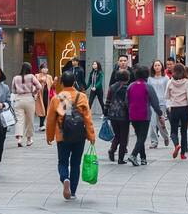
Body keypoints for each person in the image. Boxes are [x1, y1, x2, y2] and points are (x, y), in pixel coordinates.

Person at [45, 70, 96, 199]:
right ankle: (72, 191)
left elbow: (51, 119)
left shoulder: (57, 98)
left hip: (62, 135)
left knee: (62, 162)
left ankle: (65, 178)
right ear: (74, 82)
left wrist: (50, 136)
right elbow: (87, 118)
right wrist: (91, 135)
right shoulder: (82, 97)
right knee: (75, 163)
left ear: (61, 83)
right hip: (79, 135)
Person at [126, 65, 159, 166]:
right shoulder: (148, 86)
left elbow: (127, 101)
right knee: (142, 137)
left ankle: (143, 158)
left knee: (139, 136)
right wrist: (160, 113)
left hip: (133, 114)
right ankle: (133, 155)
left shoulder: (130, 86)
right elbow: (154, 101)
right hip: (144, 114)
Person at [166, 63, 188, 158]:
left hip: (174, 108)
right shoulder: (187, 82)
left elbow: (166, 96)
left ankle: (176, 144)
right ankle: (183, 154)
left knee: (173, 131)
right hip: (185, 108)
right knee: (184, 131)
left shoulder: (170, 82)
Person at [105, 65, 133, 163]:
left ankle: (112, 150)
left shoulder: (112, 87)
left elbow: (108, 100)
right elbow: (129, 103)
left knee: (117, 135)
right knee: (124, 137)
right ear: (127, 78)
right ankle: (120, 158)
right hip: (124, 115)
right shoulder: (128, 88)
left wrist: (106, 112)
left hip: (112, 114)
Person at [11, 63, 39, 147]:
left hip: (19, 99)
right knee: (30, 120)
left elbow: (13, 90)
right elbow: (39, 86)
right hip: (29, 98)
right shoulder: (31, 76)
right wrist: (34, 92)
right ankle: (29, 139)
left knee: (19, 120)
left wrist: (18, 92)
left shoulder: (15, 78)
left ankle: (19, 138)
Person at [147, 58, 171, 148]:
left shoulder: (166, 78)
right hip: (152, 103)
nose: (157, 67)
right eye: (155, 65)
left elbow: (168, 91)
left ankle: (165, 136)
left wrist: (168, 103)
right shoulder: (150, 78)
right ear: (153, 67)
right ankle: (154, 141)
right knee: (152, 122)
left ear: (161, 67)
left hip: (162, 102)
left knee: (161, 122)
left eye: (159, 65)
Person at [35, 64, 53, 129]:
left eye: (46, 68)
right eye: (43, 68)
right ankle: (41, 124)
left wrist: (55, 82)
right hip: (40, 95)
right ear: (41, 69)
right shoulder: (37, 75)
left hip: (47, 95)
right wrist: (40, 80)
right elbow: (35, 83)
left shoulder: (49, 77)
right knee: (41, 109)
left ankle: (42, 124)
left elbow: (52, 86)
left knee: (46, 108)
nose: (45, 69)